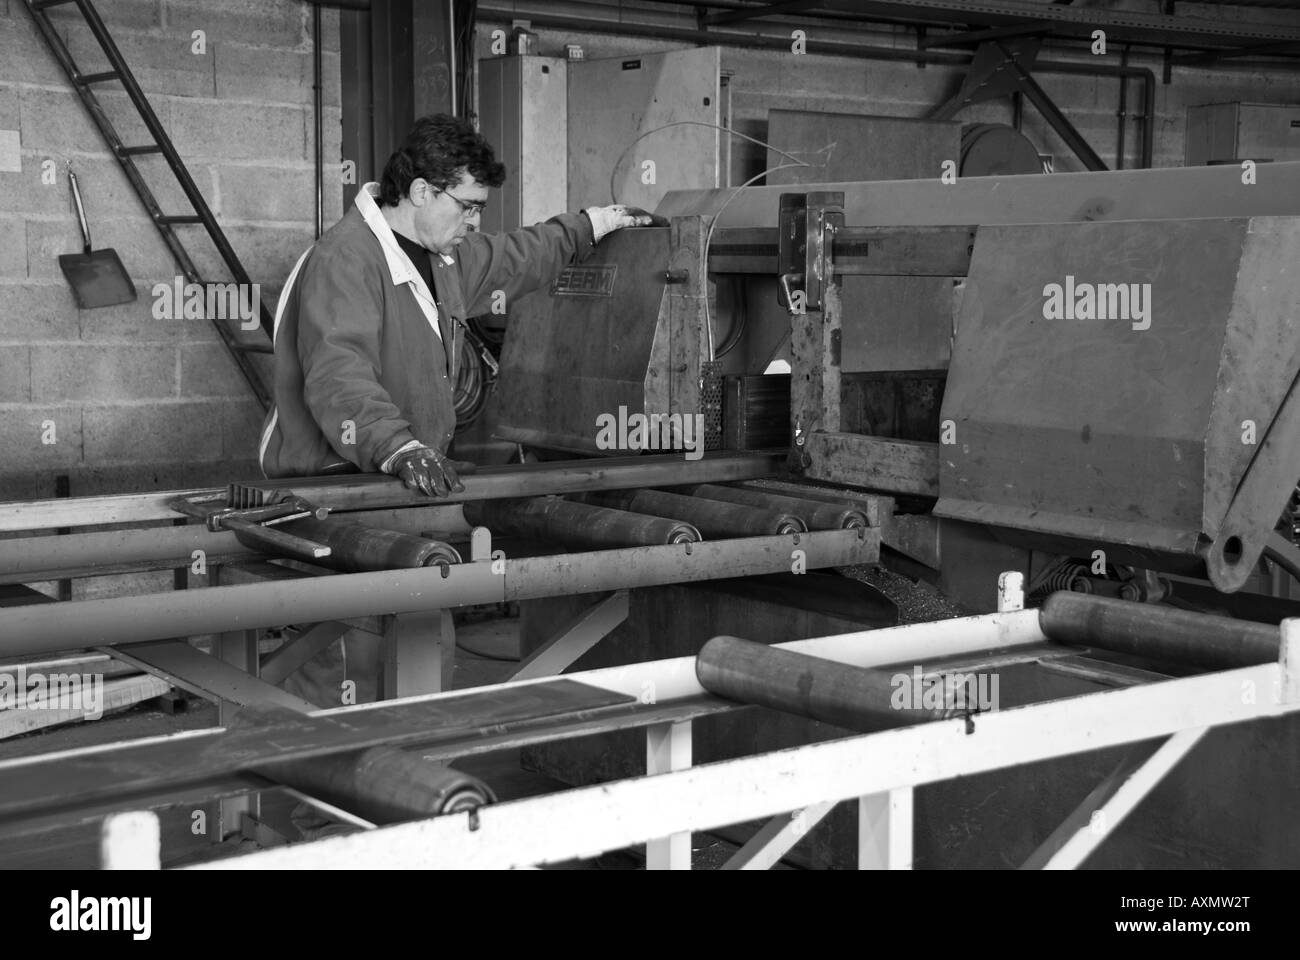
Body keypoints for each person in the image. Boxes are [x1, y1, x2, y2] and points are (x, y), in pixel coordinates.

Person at [256, 114, 656, 709]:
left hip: (399, 494)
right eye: (467, 206)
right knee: (346, 668)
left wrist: (591, 225)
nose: (474, 222)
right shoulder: (347, 260)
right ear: (421, 191)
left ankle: (414, 788)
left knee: (419, 652)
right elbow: (338, 376)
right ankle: (330, 797)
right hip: (336, 497)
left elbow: (517, 257)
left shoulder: (439, 259)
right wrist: (398, 445)